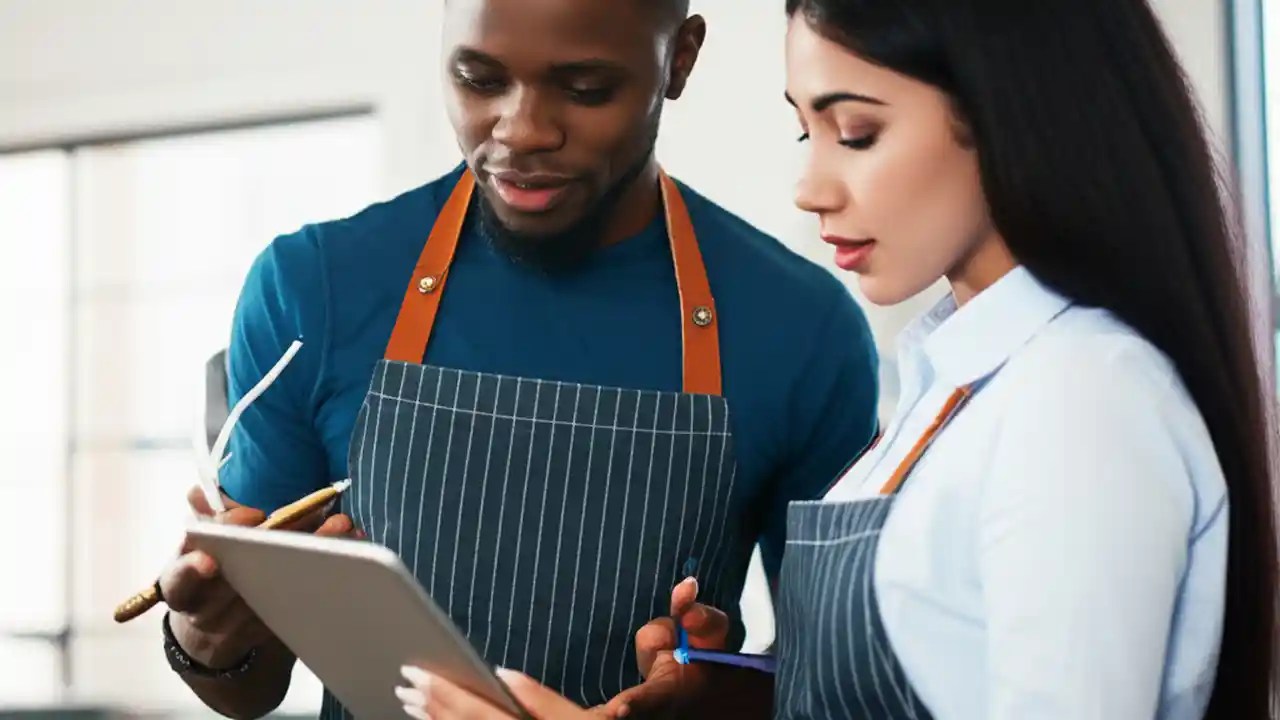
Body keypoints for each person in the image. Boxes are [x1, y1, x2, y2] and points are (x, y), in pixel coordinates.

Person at [397, 0, 1280, 718]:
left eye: (855, 132)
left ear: (1015, 111)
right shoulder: (958, 384)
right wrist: (735, 696)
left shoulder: (1079, 402)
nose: (811, 188)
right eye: (804, 133)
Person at [155, 0, 880, 717]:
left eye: (586, 89)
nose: (521, 130)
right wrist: (206, 638)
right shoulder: (312, 289)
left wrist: (725, 697)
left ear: (680, 60)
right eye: (479, 80)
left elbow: (841, 685)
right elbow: (249, 687)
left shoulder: (804, 330)